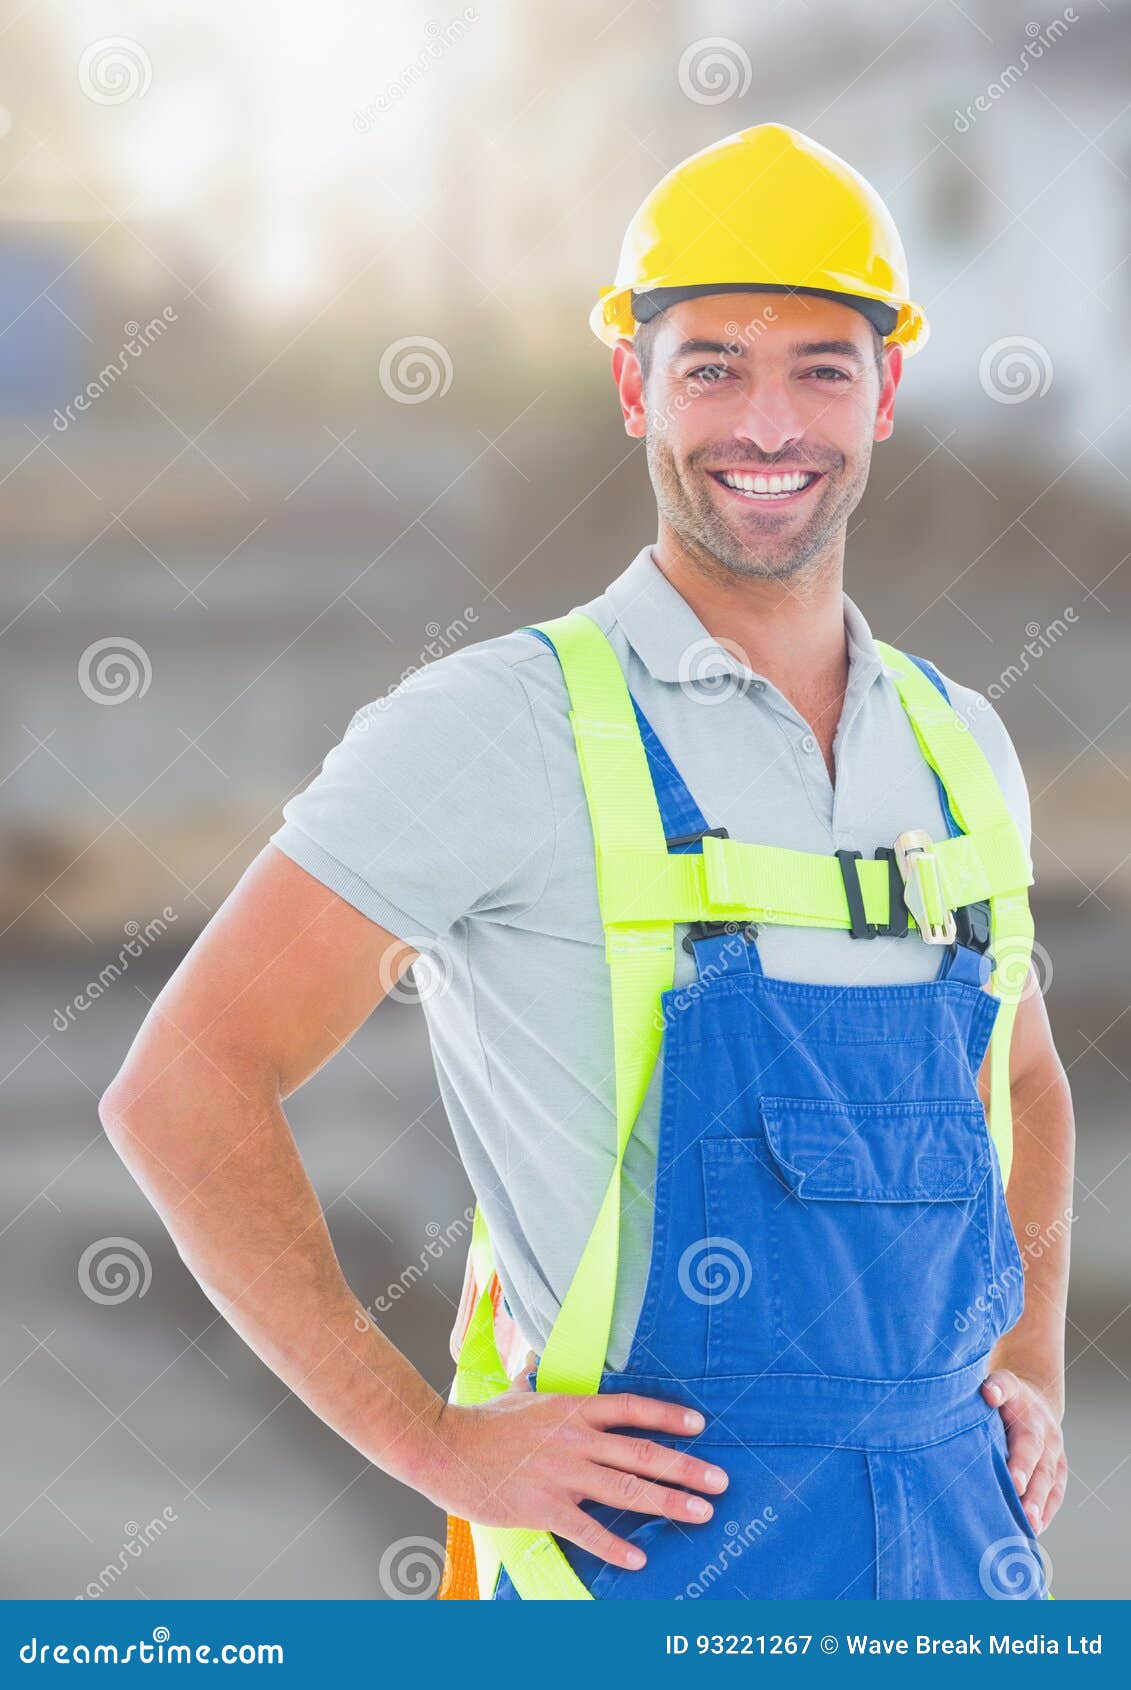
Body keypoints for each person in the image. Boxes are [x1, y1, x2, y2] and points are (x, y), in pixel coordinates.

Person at [100, 123, 1073, 1601]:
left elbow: (1024, 1076)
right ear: (634, 387)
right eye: (711, 367)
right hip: (632, 1576)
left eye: (820, 365)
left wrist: (1030, 1357)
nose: (769, 423)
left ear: (885, 390)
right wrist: (432, 1439)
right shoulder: (501, 727)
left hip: (951, 1552)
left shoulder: (961, 745)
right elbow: (181, 1083)